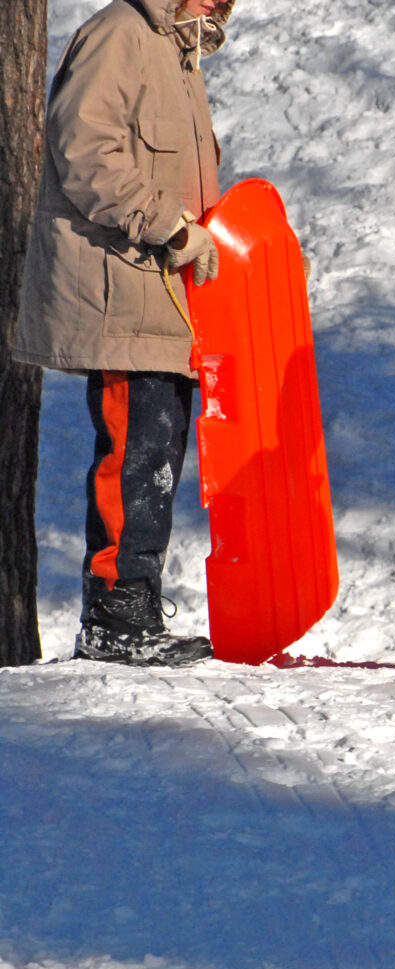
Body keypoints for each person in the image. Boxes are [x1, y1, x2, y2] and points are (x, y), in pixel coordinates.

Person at [11, 0, 233, 666]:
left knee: (157, 456)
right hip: (121, 291)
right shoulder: (119, 36)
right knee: (135, 454)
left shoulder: (176, 48)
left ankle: (135, 598)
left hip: (163, 296)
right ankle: (115, 611)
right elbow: (84, 151)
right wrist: (166, 224)